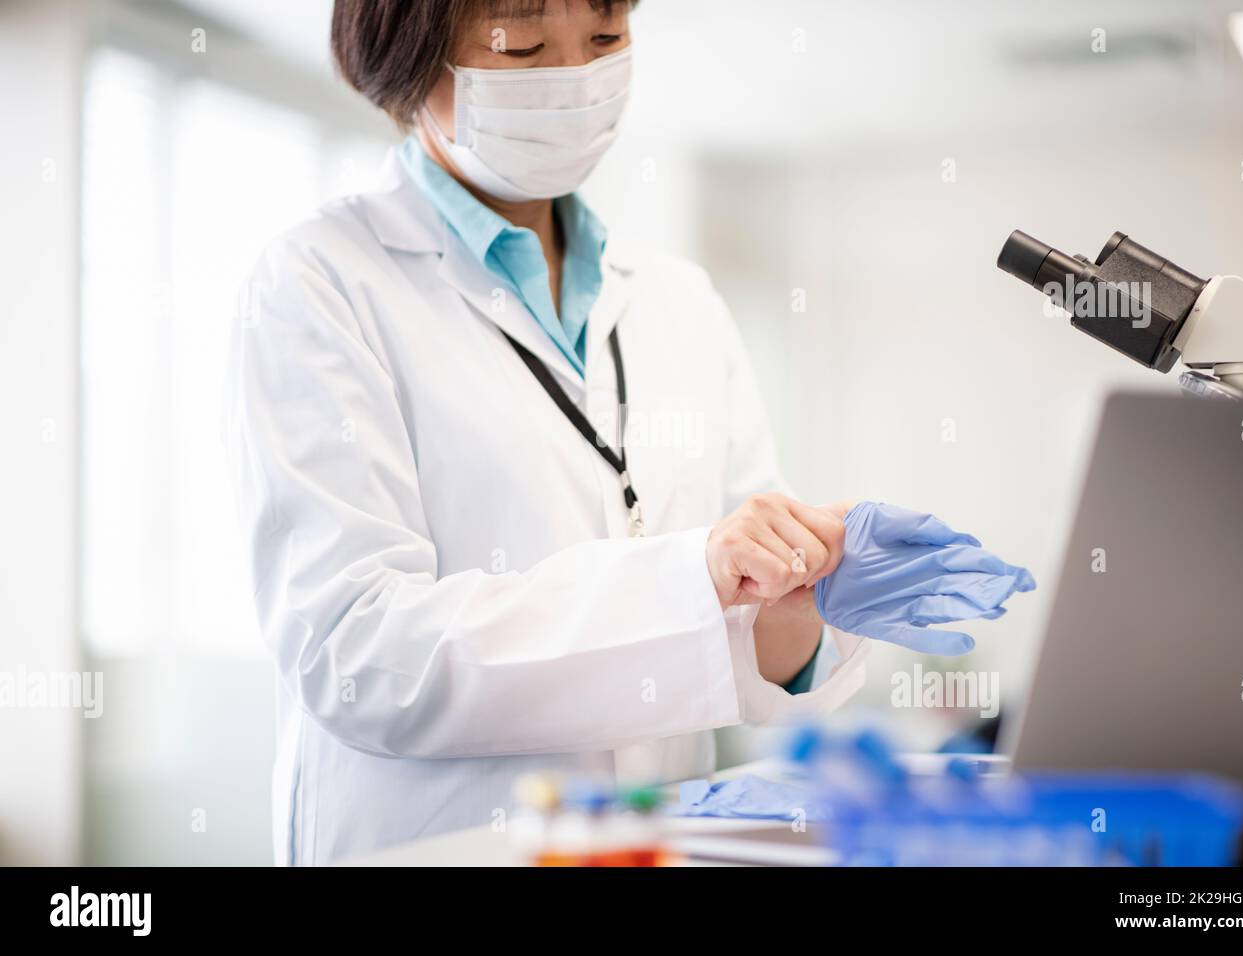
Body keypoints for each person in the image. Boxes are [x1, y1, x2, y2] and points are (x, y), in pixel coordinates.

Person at [225, 0, 903, 865]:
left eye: (607, 37)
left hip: (652, 846)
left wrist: (810, 590)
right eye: (523, 41)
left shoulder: (679, 301)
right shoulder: (322, 282)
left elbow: (743, 634)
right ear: (409, 56)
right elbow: (360, 651)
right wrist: (687, 577)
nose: (575, 78)